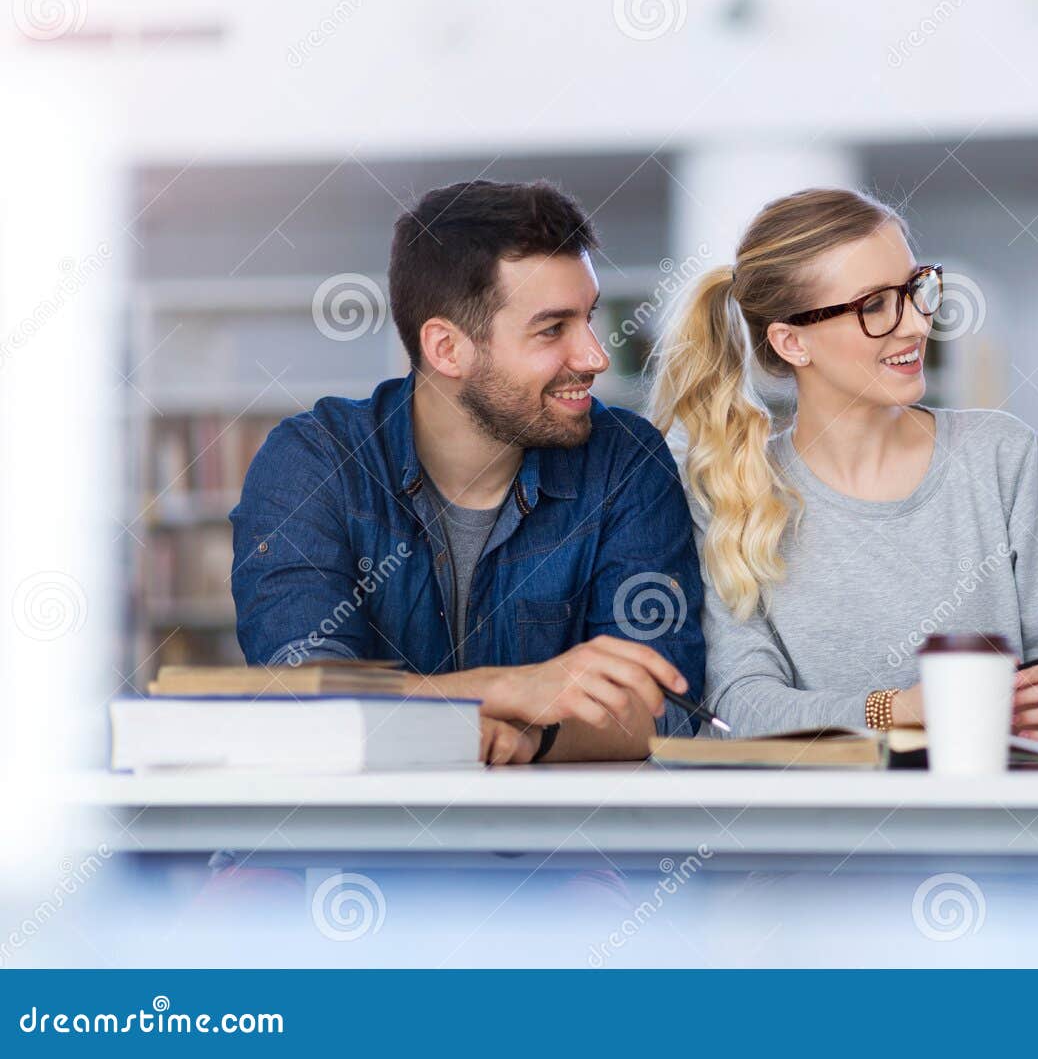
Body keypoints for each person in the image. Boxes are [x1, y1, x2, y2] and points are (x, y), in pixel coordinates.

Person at [231, 179, 704, 762]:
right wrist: (506, 690)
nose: (595, 356)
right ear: (447, 349)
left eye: (588, 318)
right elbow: (300, 700)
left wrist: (527, 739)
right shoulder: (314, 463)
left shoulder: (625, 462)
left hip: (560, 846)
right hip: (351, 842)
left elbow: (665, 712)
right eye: (553, 329)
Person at [649, 188, 1038, 746]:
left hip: (996, 821)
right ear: (792, 341)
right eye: (875, 307)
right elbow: (742, 707)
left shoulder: (1002, 455)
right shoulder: (731, 494)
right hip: (823, 829)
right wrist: (898, 710)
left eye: (916, 291)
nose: (918, 325)